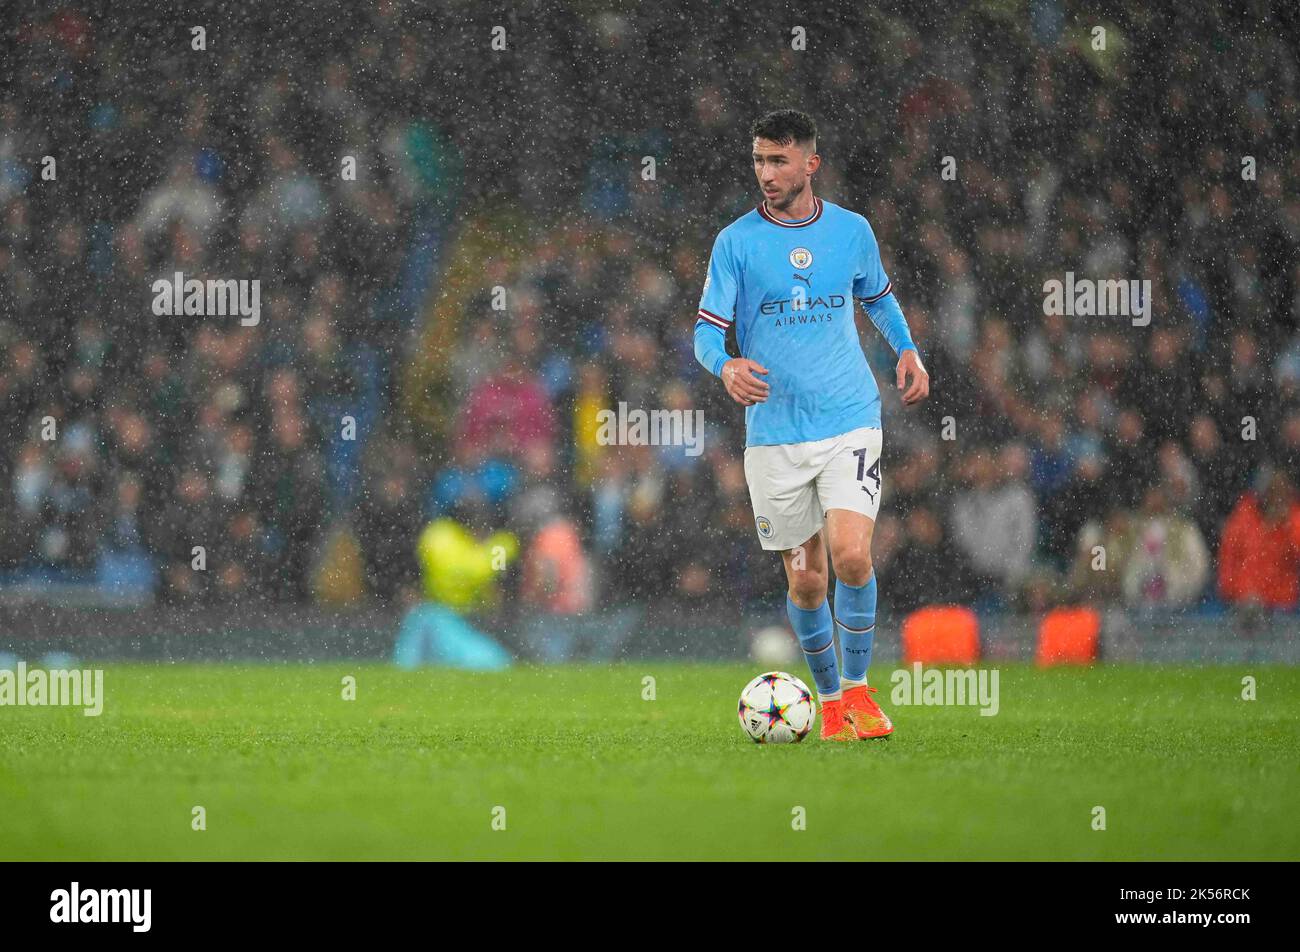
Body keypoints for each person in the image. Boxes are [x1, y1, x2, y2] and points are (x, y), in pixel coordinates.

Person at [693, 109, 930, 742]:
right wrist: (724, 366)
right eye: (758, 161)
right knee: (806, 577)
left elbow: (875, 294)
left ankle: (859, 693)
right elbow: (706, 331)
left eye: (777, 161)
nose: (765, 173)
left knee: (852, 557)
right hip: (774, 437)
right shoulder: (735, 242)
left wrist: (906, 349)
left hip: (850, 419)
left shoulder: (852, 231)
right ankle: (827, 703)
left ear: (809, 164)